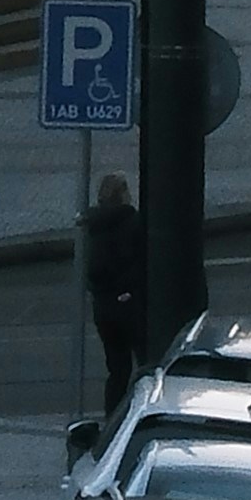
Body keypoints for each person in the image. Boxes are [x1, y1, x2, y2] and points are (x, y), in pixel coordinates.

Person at [86, 170, 152, 409]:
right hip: (130, 305)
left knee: (117, 371)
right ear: (123, 194)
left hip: (104, 308)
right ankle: (145, 411)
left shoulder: (94, 225)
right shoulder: (132, 221)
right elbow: (140, 262)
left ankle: (113, 418)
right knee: (148, 365)